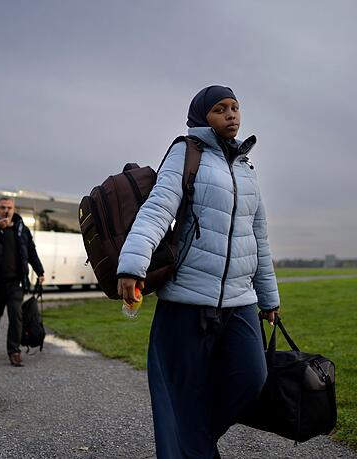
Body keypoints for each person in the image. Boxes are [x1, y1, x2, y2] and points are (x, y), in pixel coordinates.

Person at [117, 85, 280, 458]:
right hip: (188, 299)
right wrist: (133, 264)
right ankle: (193, 446)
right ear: (201, 116)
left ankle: (197, 441)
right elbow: (158, 208)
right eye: (220, 109)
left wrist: (269, 298)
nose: (231, 115)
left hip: (239, 301)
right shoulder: (186, 153)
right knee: (179, 394)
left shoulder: (246, 167)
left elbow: (259, 237)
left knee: (252, 378)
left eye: (235, 108)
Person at [0, 196, 45, 367]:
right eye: (3, 207)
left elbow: (31, 252)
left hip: (15, 283)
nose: (6, 211)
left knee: (16, 317)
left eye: (9, 208)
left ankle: (14, 352)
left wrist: (40, 271)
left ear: (14, 210)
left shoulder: (22, 229)